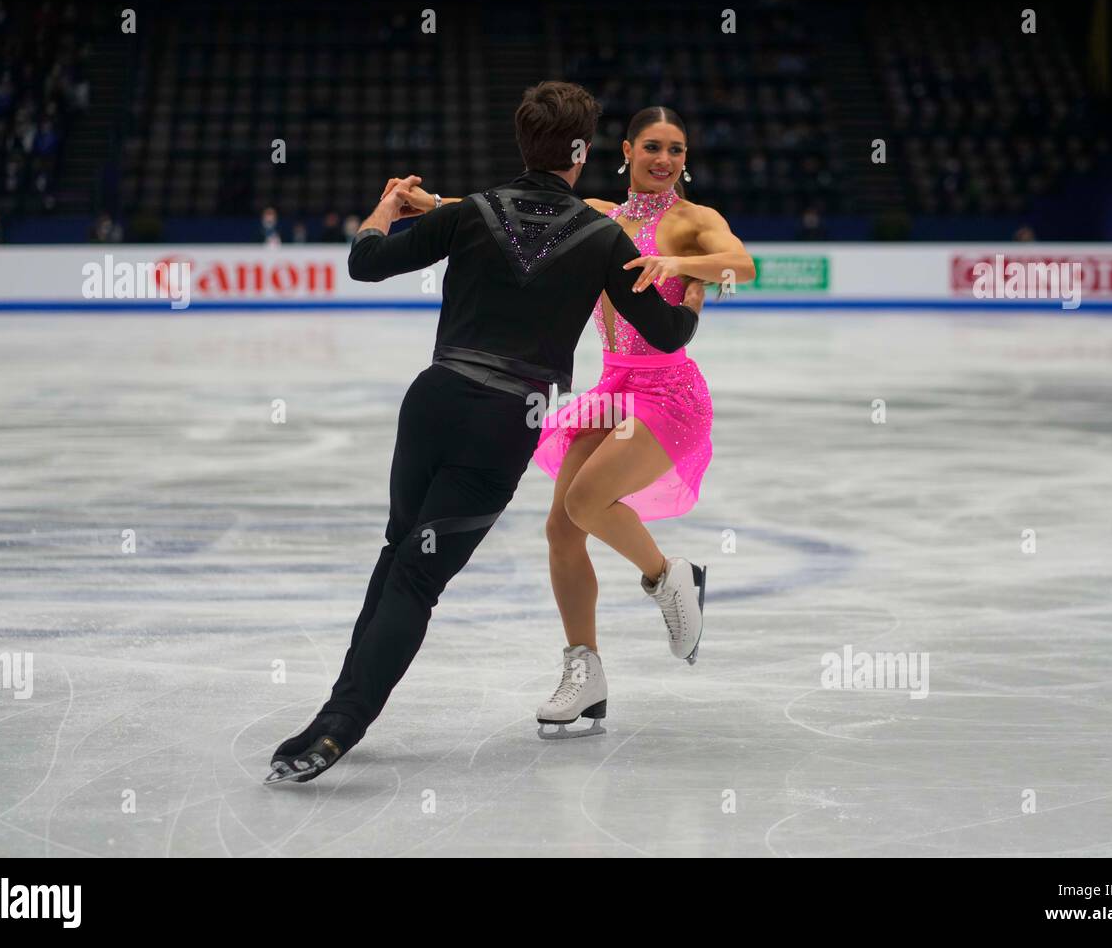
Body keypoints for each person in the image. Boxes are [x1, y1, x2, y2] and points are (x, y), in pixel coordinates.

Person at [266, 81, 705, 784]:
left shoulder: (474, 212)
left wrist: (385, 206)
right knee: (416, 574)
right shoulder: (602, 239)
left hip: (433, 401)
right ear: (583, 152)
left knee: (395, 553)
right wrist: (689, 283)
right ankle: (338, 727)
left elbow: (366, 261)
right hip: (506, 422)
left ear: (523, 142)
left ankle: (336, 717)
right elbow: (670, 331)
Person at [386, 106, 755, 739]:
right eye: (651, 147)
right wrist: (431, 202)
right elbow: (505, 207)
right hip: (614, 387)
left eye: (675, 149)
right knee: (561, 529)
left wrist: (683, 266)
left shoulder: (694, 220)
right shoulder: (601, 218)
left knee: (587, 499)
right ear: (627, 150)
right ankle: (586, 676)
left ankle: (670, 577)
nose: (663, 159)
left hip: (669, 394)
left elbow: (742, 264)